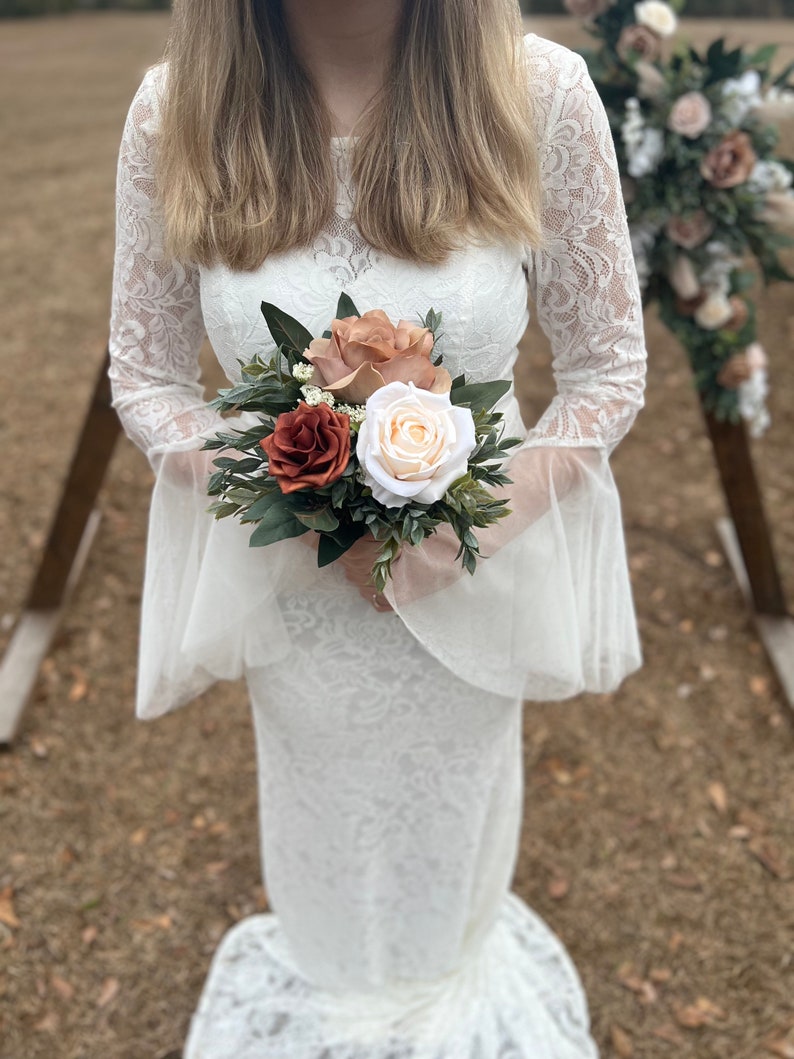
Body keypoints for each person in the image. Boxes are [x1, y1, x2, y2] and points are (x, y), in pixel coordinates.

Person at [108, 0, 647, 1055]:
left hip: (469, 587)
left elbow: (604, 368)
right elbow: (148, 373)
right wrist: (300, 498)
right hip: (299, 603)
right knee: (322, 836)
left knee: (445, 841)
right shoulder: (175, 111)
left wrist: (468, 530)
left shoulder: (537, 94)